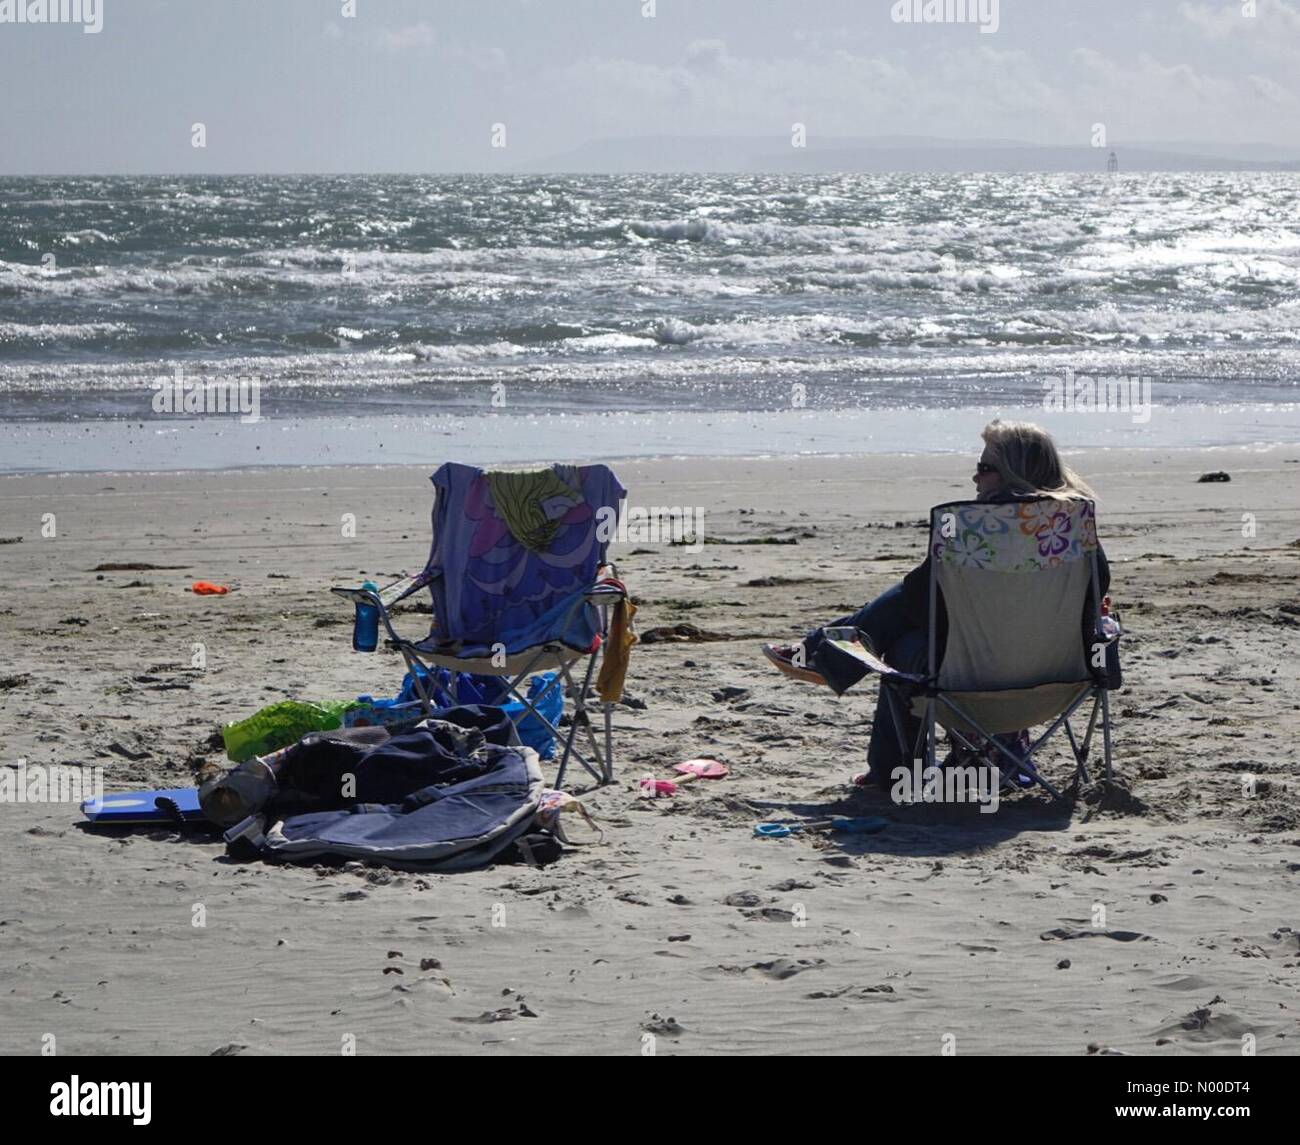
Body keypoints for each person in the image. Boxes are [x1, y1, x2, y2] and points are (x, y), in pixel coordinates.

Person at [762, 420, 1112, 790]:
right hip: (1058, 680)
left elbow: (918, 601)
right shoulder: (1074, 527)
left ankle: (888, 762)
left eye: (984, 469)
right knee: (915, 610)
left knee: (901, 643)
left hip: (968, 682)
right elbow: (1096, 590)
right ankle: (830, 651)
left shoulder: (974, 530)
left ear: (1014, 473)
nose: (975, 479)